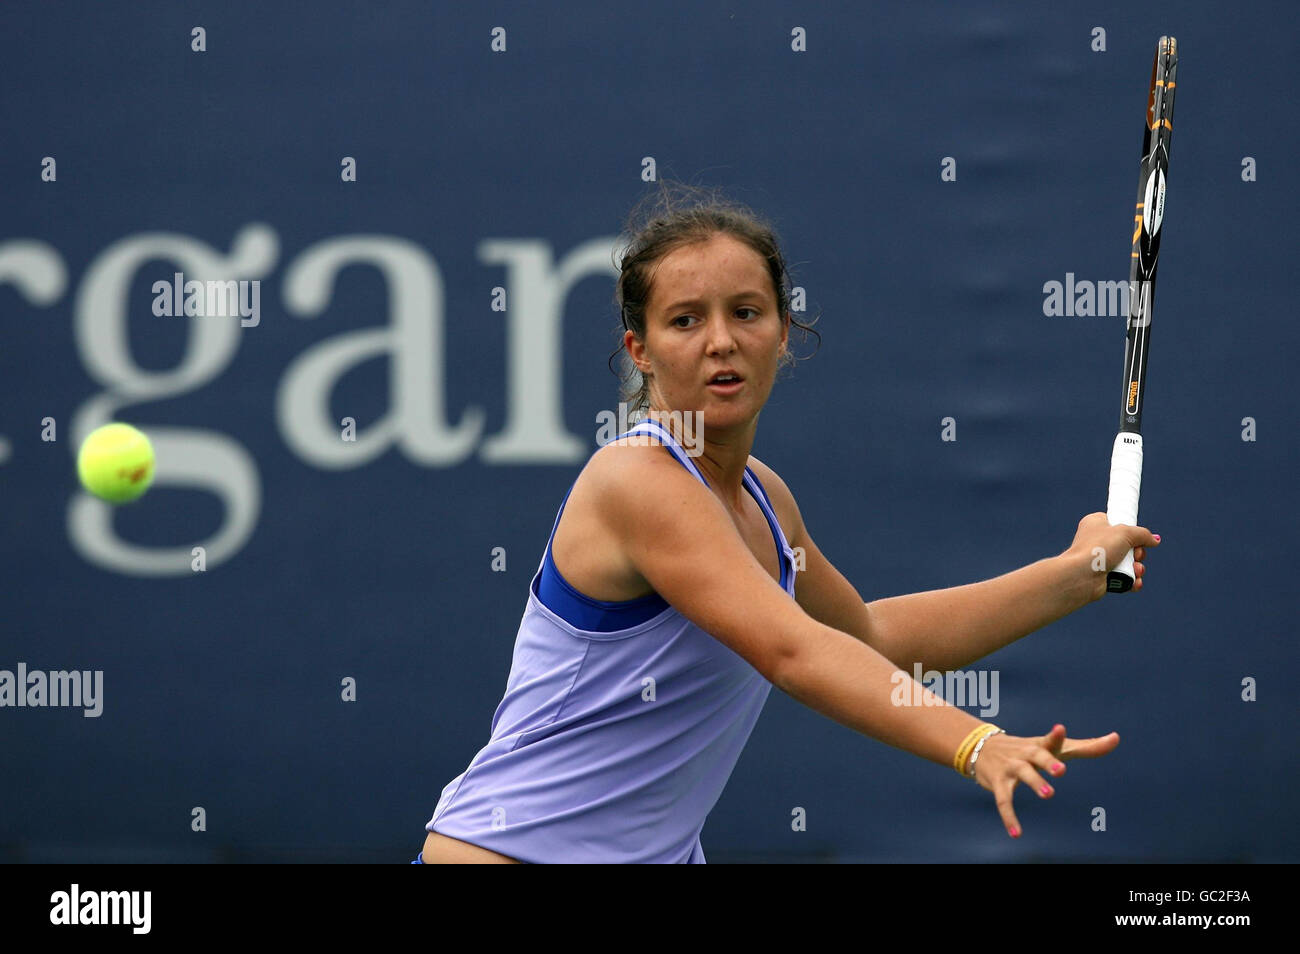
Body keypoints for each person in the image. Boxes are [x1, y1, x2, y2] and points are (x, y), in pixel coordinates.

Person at [414, 184, 1159, 864]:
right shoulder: (636, 481)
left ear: (783, 332)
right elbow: (794, 651)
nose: (720, 341)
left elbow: (867, 639)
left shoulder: (765, 500)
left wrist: (1075, 575)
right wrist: (974, 742)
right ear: (639, 350)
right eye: (684, 320)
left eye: (746, 312)